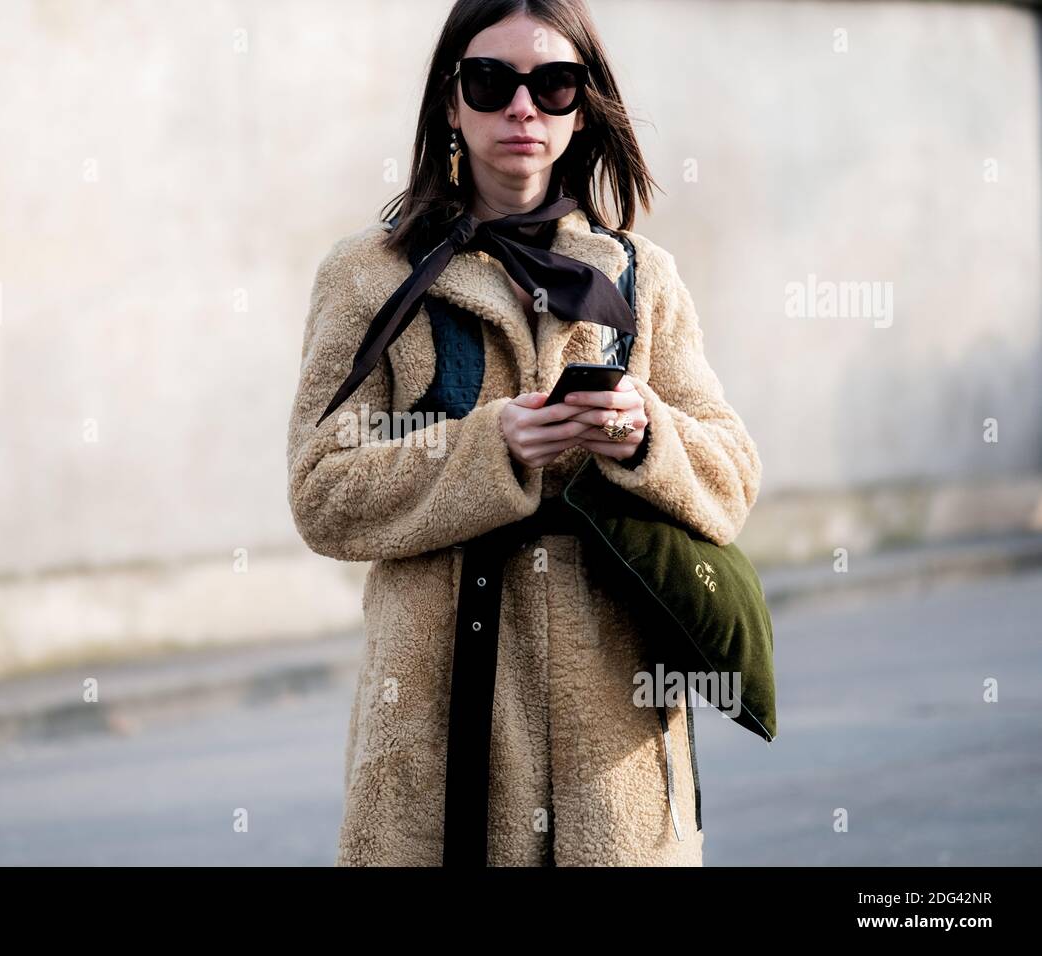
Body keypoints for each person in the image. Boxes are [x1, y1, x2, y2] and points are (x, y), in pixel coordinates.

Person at [286, 0, 762, 866]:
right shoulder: (369, 276)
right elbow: (321, 491)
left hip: (613, 750)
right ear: (449, 101)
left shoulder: (641, 278)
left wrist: (643, 435)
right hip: (433, 737)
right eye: (491, 80)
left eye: (554, 84)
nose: (522, 109)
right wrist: (489, 447)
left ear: (582, 108)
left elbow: (731, 478)